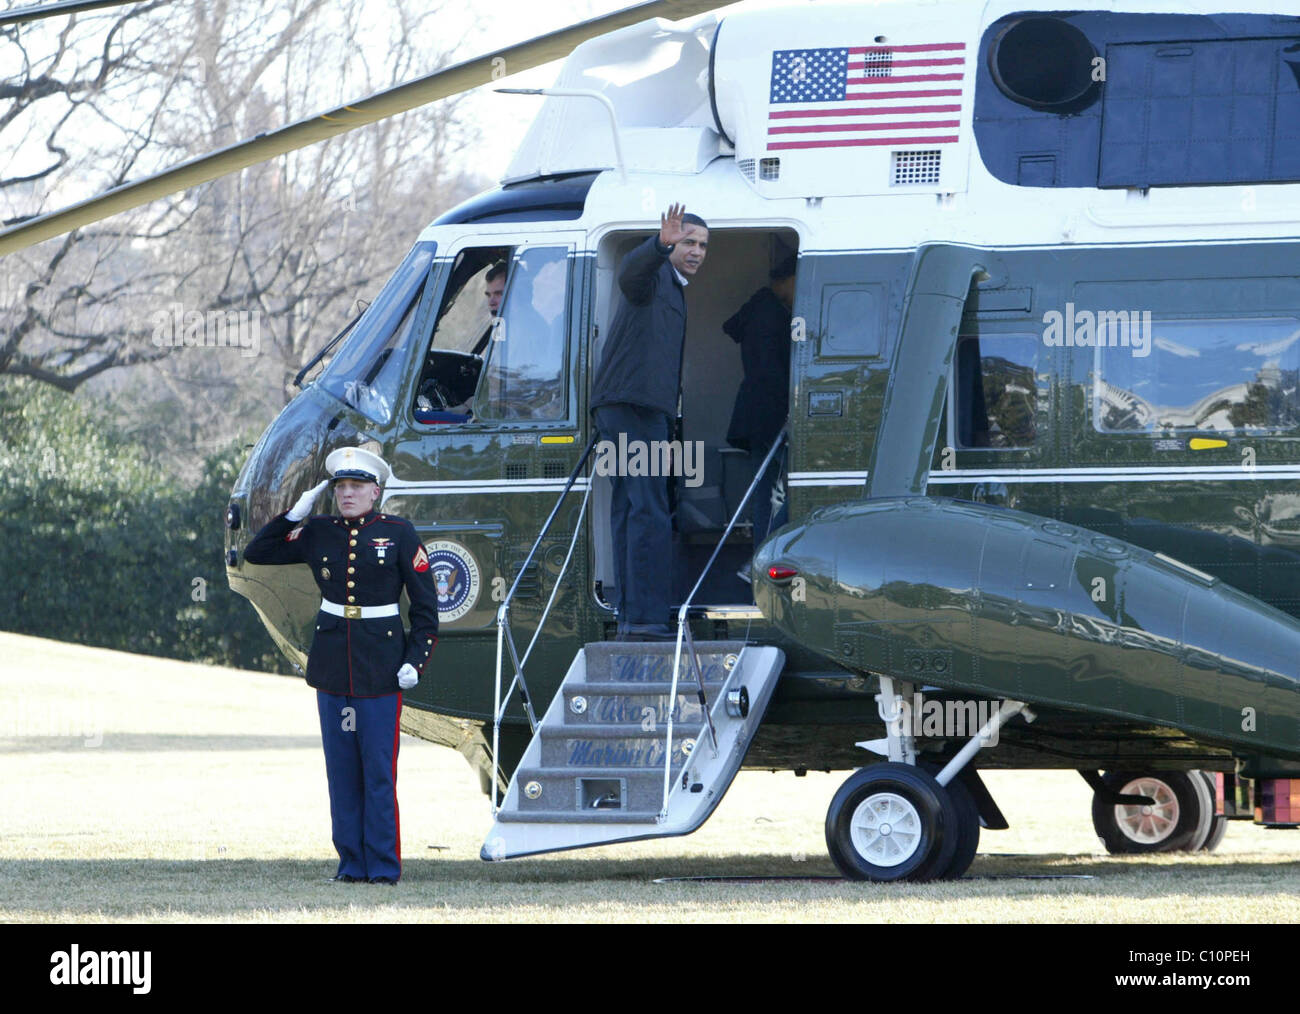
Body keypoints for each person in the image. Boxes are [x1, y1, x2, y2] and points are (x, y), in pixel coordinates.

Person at [243, 446, 438, 884]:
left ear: (376, 491)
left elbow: (426, 609)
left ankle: (383, 867)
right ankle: (351, 864)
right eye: (340, 487)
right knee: (342, 771)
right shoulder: (318, 531)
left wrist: (415, 662)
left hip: (381, 668)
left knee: (378, 772)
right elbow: (260, 552)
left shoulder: (400, 533)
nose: (347, 494)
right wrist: (295, 515)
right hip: (333, 666)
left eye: (356, 487)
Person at [590, 203, 708, 640]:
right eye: (689, 242)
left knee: (632, 509)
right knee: (648, 511)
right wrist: (659, 245)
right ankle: (646, 620)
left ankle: (633, 615)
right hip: (633, 408)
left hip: (635, 408)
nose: (695, 251)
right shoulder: (655, 274)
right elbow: (630, 273)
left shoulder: (674, 287)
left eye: (701, 245)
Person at [725, 256, 796, 572]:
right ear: (784, 280)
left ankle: (761, 560)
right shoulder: (772, 314)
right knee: (773, 493)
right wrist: (789, 409)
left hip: (756, 411)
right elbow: (772, 372)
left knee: (768, 490)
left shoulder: (757, 310)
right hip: (770, 412)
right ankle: (763, 562)